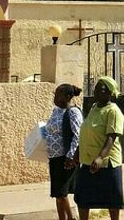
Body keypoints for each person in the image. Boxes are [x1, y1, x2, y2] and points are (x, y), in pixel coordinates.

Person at [73, 76, 124, 220]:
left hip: (107, 163)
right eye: (95, 88)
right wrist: (77, 153)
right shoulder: (94, 107)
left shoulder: (113, 111)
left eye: (100, 90)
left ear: (109, 93)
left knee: (112, 201)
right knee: (83, 198)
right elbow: (87, 131)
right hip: (87, 160)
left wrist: (100, 157)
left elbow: (111, 137)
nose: (96, 92)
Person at [43, 83, 83, 220]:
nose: (55, 97)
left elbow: (78, 135)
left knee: (62, 193)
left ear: (67, 97)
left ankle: (71, 218)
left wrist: (71, 156)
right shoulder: (56, 111)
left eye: (58, 94)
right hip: (54, 157)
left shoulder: (73, 112)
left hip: (65, 159)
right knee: (57, 194)